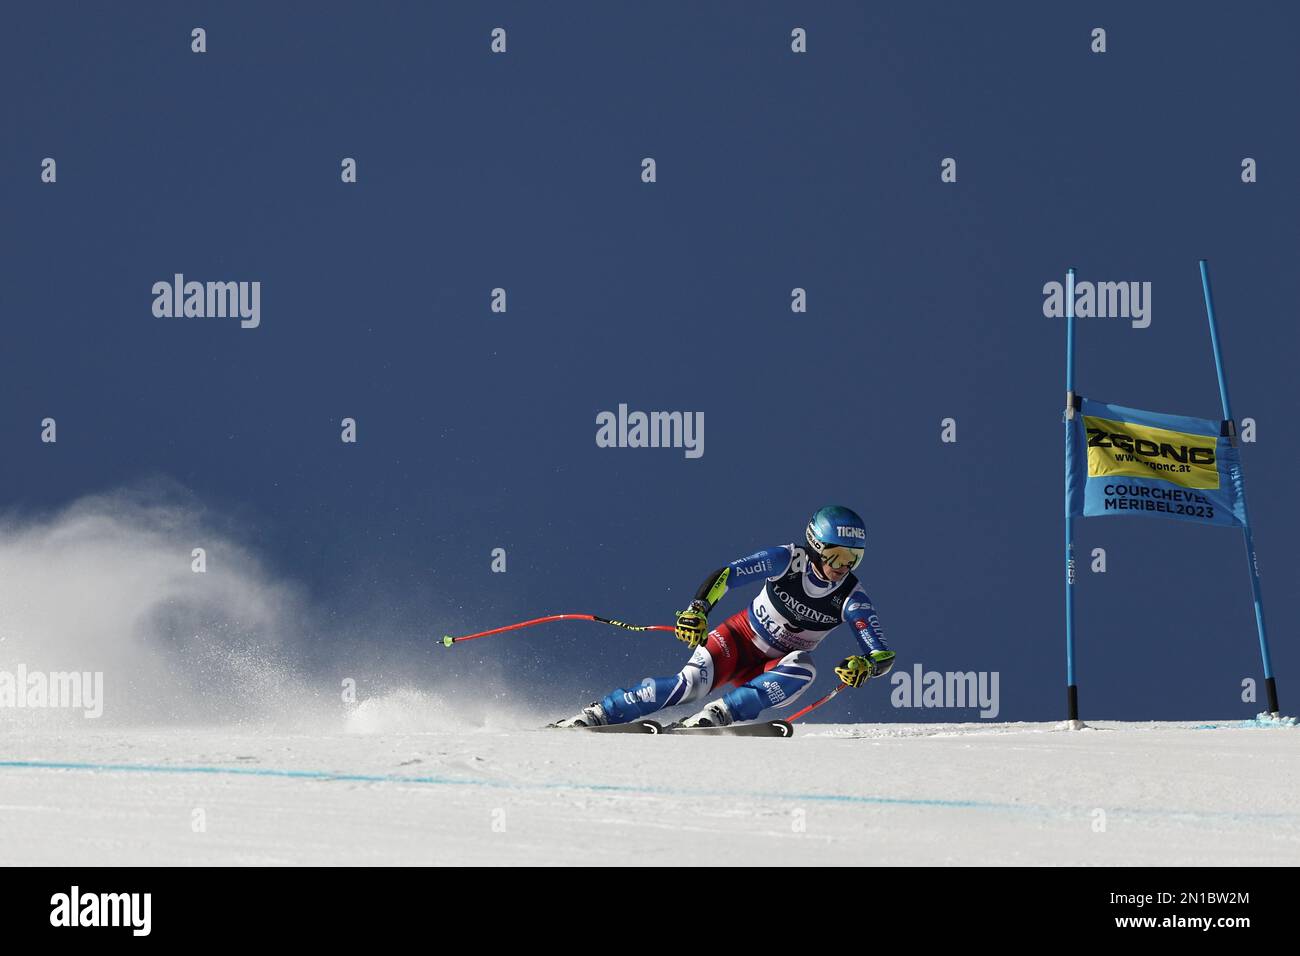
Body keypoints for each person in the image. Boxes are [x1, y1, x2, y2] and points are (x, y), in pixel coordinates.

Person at [554, 505, 894, 728]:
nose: (842, 567)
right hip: (737, 641)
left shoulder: (851, 596)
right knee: (688, 686)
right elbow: (728, 575)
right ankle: (599, 715)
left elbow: (880, 653)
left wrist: (865, 665)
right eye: (835, 555)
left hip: (772, 667)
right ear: (815, 545)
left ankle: (719, 715)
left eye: (853, 559)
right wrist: (697, 610)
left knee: (804, 666)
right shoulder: (789, 560)